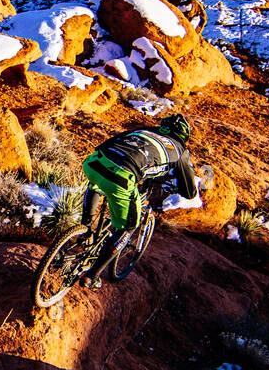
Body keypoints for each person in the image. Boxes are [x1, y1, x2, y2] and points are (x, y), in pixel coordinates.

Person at [78, 113, 198, 287]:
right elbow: (189, 191)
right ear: (183, 135)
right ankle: (92, 276)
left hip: (92, 162)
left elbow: (104, 145)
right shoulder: (179, 150)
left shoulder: (144, 131)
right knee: (128, 227)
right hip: (121, 177)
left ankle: (84, 229)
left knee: (97, 182)